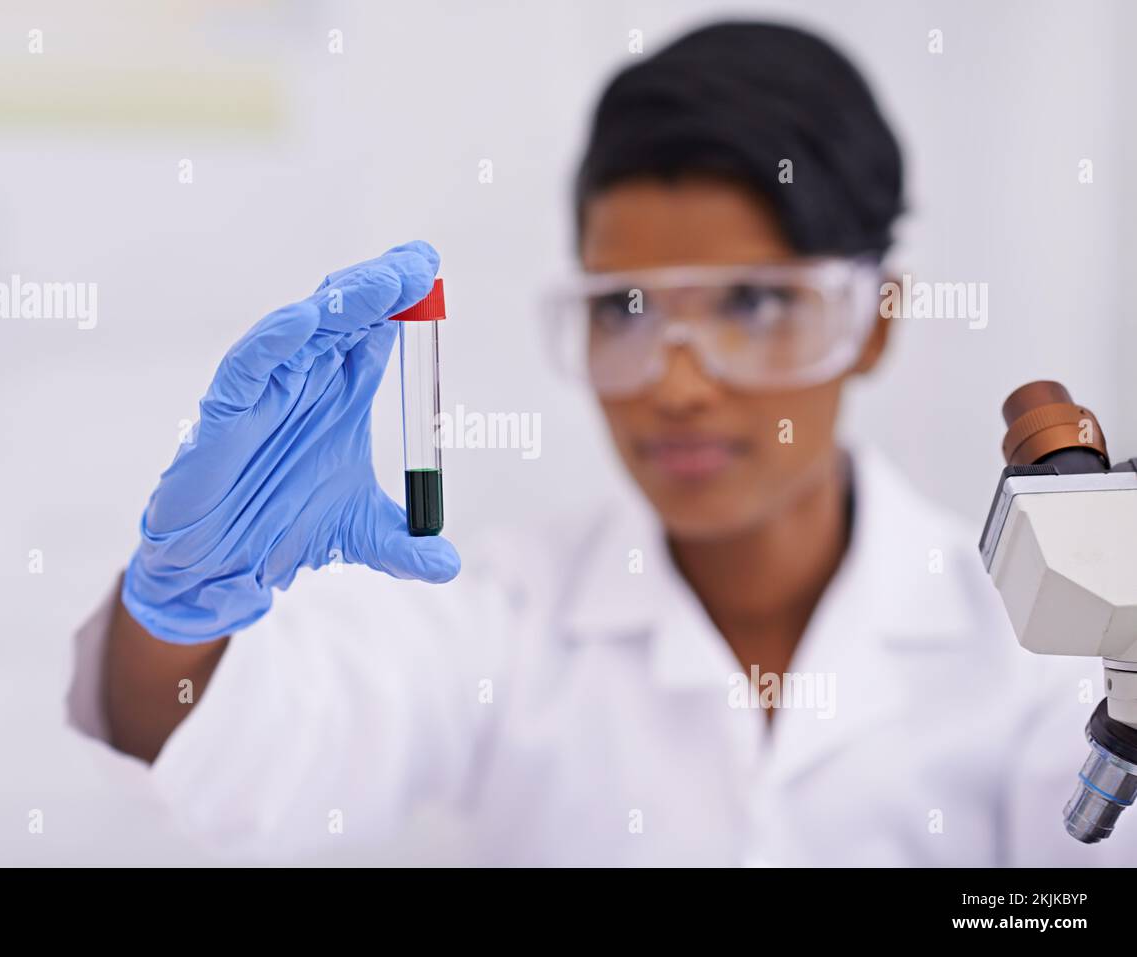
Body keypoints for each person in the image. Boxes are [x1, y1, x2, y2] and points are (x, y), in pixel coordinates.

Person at [67, 21, 1126, 865]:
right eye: (623, 309)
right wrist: (178, 609)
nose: (673, 383)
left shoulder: (1032, 647)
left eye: (753, 302)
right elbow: (244, 759)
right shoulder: (500, 619)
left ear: (872, 321)